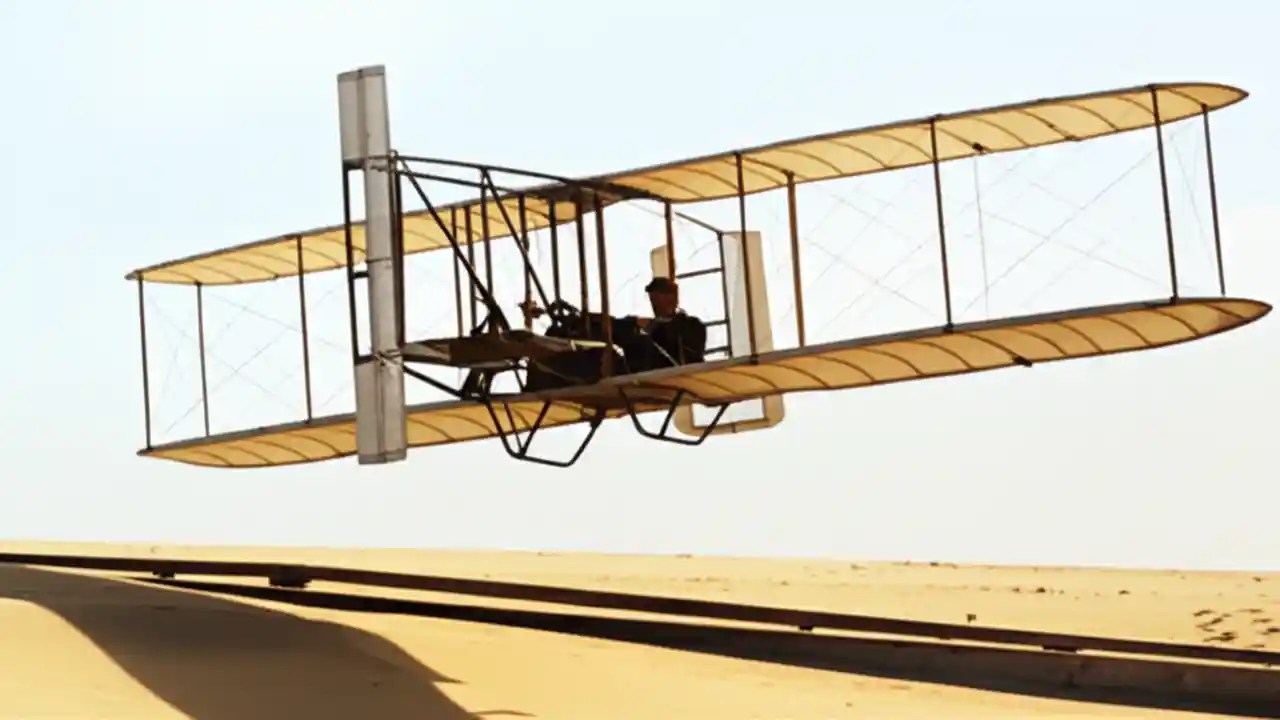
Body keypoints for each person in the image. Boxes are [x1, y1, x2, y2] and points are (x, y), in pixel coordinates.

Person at [618, 277, 707, 372]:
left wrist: (657, 327)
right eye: (652, 300)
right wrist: (635, 322)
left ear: (674, 298)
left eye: (658, 298)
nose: (653, 304)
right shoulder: (645, 328)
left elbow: (687, 352)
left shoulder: (692, 326)